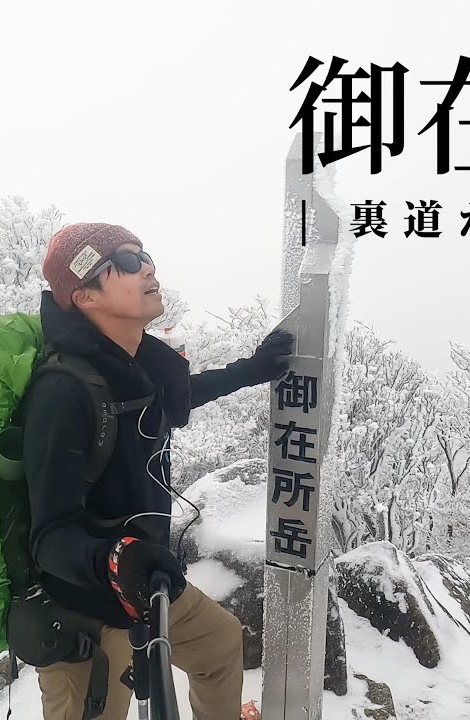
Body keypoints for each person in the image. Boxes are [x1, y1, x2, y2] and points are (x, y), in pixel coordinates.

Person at [23, 223, 294, 720]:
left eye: (144, 255)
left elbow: (178, 395)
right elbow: (50, 538)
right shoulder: (63, 393)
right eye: (125, 262)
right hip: (86, 613)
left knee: (219, 643)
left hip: (149, 589)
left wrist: (253, 369)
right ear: (84, 295)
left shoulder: (139, 368)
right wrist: (118, 559)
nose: (148, 266)